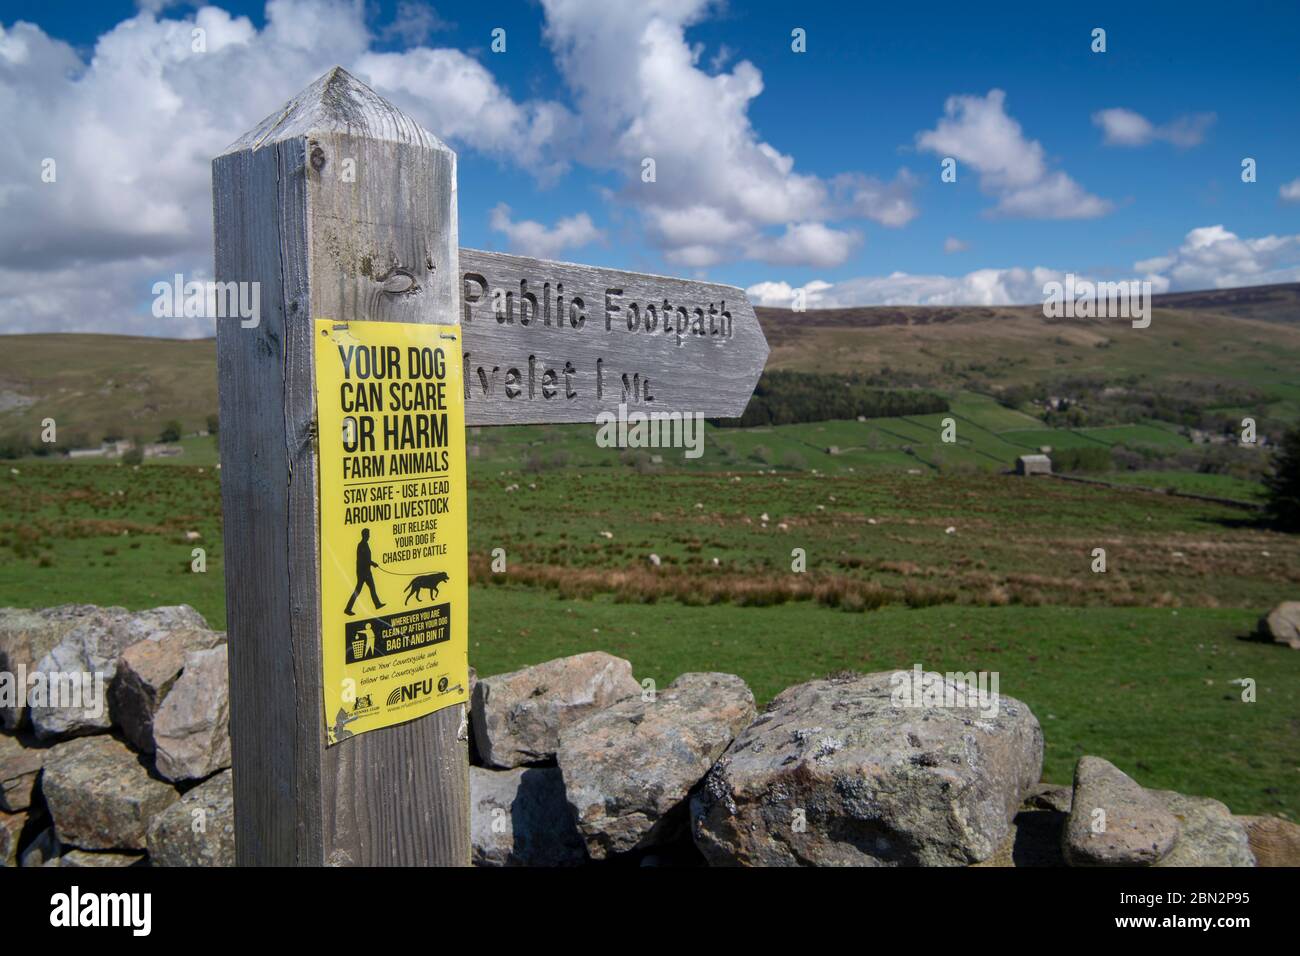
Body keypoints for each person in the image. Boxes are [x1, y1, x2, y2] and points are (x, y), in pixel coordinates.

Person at [344, 528, 385, 615]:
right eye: (368, 534)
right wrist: (373, 563)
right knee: (358, 590)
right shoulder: (361, 545)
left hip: (366, 571)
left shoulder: (365, 544)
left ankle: (377, 604)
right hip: (363, 573)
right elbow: (365, 560)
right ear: (365, 535)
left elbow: (367, 559)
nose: (369, 536)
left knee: (372, 589)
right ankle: (348, 609)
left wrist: (371, 564)